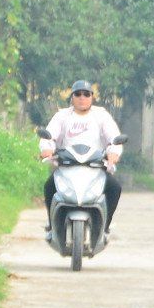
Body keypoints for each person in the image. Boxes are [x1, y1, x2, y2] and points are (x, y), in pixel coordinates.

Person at [40, 79, 122, 236]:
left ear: (92, 97)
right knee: (49, 187)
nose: (82, 97)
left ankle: (104, 227)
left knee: (114, 188)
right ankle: (52, 226)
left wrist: (114, 153)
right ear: (72, 97)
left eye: (86, 94)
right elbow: (49, 137)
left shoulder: (101, 116)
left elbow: (114, 138)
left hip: (96, 167)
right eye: (78, 94)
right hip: (66, 167)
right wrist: (47, 149)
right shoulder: (62, 116)